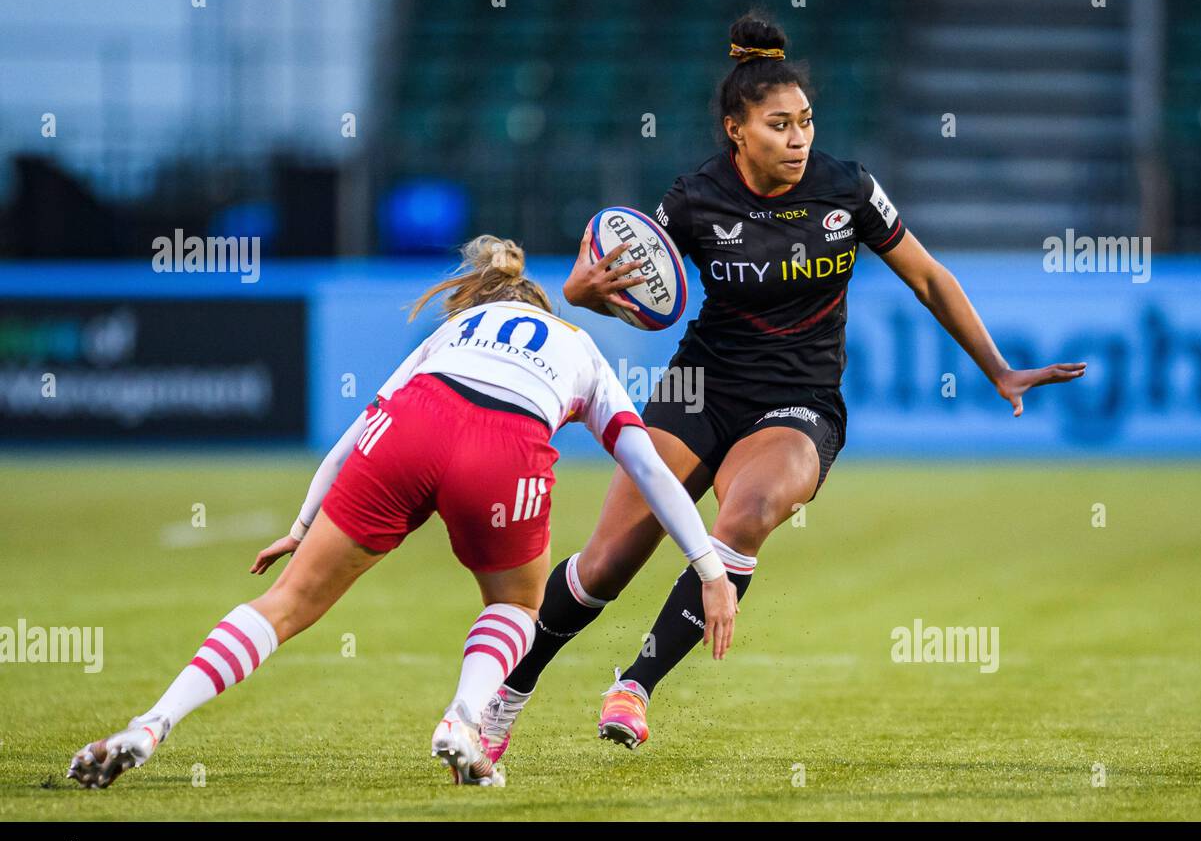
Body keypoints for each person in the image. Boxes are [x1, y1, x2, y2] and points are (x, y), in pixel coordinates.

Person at [478, 11, 1086, 757]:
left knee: (751, 510)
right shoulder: (695, 198)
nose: (798, 140)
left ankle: (634, 685)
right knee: (605, 563)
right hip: (701, 389)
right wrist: (581, 291)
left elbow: (928, 277)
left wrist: (997, 367)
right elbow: (632, 292)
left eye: (805, 122)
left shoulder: (848, 189)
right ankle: (509, 692)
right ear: (737, 129)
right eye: (778, 125)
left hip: (799, 400)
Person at [67, 234, 736, 789]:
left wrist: (302, 525)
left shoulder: (459, 329)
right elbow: (645, 463)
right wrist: (707, 566)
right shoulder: (581, 348)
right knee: (515, 606)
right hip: (502, 445)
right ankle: (463, 719)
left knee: (287, 602)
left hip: (412, 423)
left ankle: (151, 724)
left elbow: (358, 428)